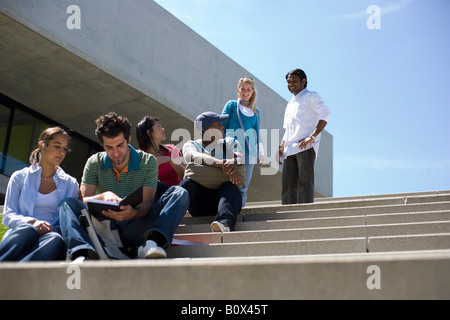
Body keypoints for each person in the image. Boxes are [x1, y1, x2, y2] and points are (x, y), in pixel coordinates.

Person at [58, 112, 189, 260]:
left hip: (137, 225)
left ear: (129, 139)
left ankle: (153, 243)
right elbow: (83, 201)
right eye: (109, 147)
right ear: (103, 145)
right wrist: (103, 195)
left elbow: (147, 203)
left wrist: (132, 213)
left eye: (120, 145)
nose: (116, 153)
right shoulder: (94, 162)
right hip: (104, 226)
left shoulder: (148, 161)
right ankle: (81, 254)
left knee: (180, 193)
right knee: (67, 204)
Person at [0, 127, 79, 262]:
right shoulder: (19, 177)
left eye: (65, 148)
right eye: (57, 146)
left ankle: (15, 276)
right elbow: (8, 215)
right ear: (42, 145)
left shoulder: (70, 184)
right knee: (28, 229)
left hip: (49, 239)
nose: (61, 152)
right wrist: (33, 223)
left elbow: (66, 223)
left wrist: (46, 229)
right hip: (22, 235)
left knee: (55, 238)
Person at [178, 112, 244, 232]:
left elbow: (240, 156)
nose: (222, 127)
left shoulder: (230, 142)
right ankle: (167, 219)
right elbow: (193, 156)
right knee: (186, 184)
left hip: (228, 201)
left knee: (230, 186)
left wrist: (234, 161)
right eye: (219, 124)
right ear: (209, 129)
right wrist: (223, 165)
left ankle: (224, 223)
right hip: (200, 205)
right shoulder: (191, 144)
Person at [277, 69, 331, 204]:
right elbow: (288, 128)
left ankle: (305, 214)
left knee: (304, 184)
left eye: (294, 81)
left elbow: (326, 112)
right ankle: (287, 217)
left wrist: (313, 136)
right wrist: (281, 146)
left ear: (303, 81)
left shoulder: (311, 96)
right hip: (289, 150)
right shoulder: (290, 104)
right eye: (288, 82)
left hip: (305, 147)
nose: (291, 84)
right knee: (287, 186)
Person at [221, 77, 263, 207]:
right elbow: (221, 125)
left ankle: (239, 214)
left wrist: (260, 153)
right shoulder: (232, 105)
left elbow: (257, 133)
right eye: (243, 89)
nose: (245, 92)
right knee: (229, 183)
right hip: (232, 150)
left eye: (248, 90)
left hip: (249, 153)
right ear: (238, 90)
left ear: (253, 91)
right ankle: (225, 211)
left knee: (243, 187)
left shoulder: (256, 112)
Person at [136, 116, 185, 198]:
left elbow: (186, 175)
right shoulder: (140, 156)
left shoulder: (171, 149)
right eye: (158, 126)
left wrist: (171, 160)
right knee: (155, 184)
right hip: (157, 197)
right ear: (149, 132)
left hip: (178, 194)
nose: (163, 129)